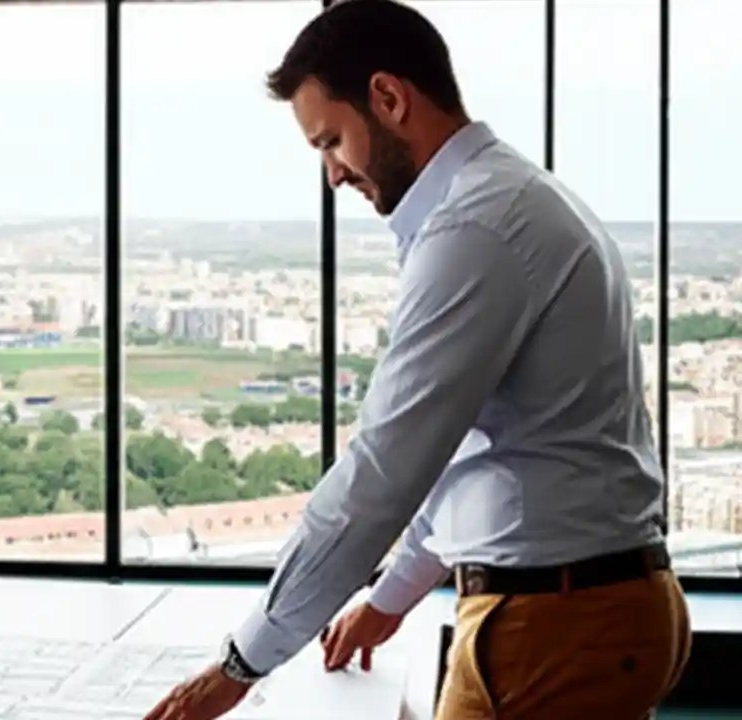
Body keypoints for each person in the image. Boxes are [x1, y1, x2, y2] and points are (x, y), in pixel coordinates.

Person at [142, 1, 691, 718]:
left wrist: (241, 663)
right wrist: (391, 595)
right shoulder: (510, 200)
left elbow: (382, 474)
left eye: (331, 141)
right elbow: (479, 454)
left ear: (389, 98)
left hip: (550, 625)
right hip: (583, 610)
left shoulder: (478, 227)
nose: (333, 174)